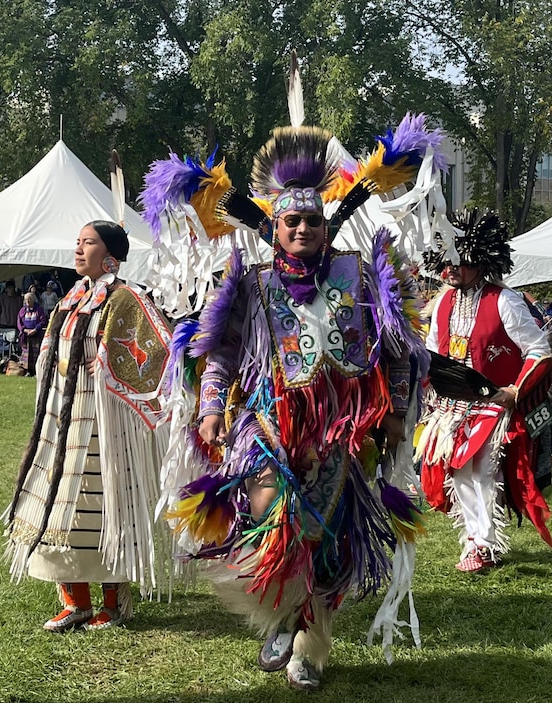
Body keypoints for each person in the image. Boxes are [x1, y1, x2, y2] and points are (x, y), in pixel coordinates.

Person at [145, 117, 438, 690]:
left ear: (326, 227)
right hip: (266, 420)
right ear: (274, 227)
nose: (303, 228)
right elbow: (219, 354)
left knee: (322, 540)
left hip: (340, 428)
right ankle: (281, 612)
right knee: (265, 510)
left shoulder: (360, 277)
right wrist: (210, 407)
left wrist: (398, 411)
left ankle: (308, 640)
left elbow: (400, 352)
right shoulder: (250, 284)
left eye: (312, 220)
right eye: (292, 220)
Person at [3, 220, 171, 632]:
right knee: (56, 501)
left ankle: (113, 603)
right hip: (62, 418)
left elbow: (157, 350)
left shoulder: (126, 298)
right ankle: (74, 600)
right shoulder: (73, 298)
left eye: (88, 243)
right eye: (76, 242)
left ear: (109, 252)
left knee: (99, 504)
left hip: (102, 420)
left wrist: (110, 369)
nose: (78, 249)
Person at [415, 209, 552, 571]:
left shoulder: (504, 300)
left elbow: (539, 350)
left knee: (480, 469)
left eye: (460, 262)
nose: (451, 270)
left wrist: (515, 390)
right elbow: (434, 350)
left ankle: (484, 543)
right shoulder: (444, 301)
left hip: (492, 401)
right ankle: (475, 540)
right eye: (446, 263)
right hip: (451, 405)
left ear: (480, 260)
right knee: (458, 469)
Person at [14, 292, 47, 375]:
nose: (27, 301)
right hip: (26, 336)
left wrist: (35, 329)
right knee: (27, 354)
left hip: (36, 335)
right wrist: (24, 330)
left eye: (29, 299)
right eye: (26, 300)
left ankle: (36, 371)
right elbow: (19, 322)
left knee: (36, 354)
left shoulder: (39, 309)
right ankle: (27, 371)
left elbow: (43, 320)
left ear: (33, 300)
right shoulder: (22, 310)